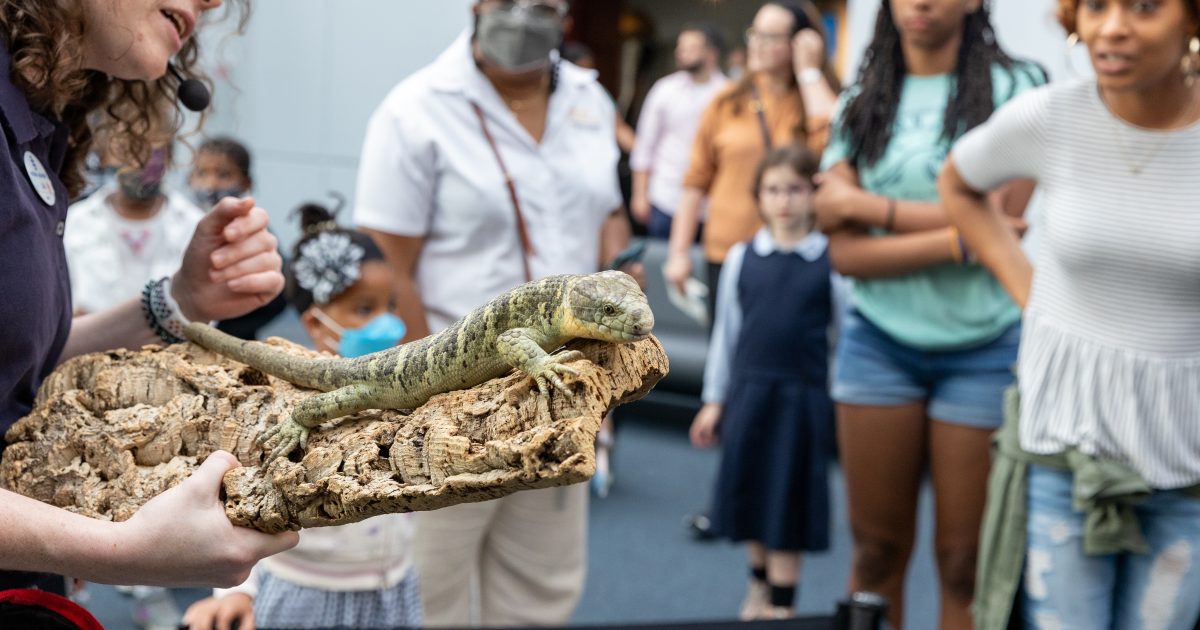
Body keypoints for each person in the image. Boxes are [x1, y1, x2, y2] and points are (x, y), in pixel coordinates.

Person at [352, 0, 637, 625]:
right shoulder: (415, 107)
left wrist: (619, 282)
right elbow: (387, 269)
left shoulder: (589, 99)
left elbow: (610, 214)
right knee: (431, 588)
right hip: (455, 402)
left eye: (543, 6)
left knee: (542, 590)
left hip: (559, 392)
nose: (524, 15)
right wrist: (429, 403)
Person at [0, 0, 298, 596]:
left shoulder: (39, 128)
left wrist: (180, 300)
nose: (214, 3)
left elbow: (20, 365)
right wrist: (117, 549)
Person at [939, 0, 1200, 627]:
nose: (1112, 27)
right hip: (1066, 441)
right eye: (1095, 5)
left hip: (1187, 455)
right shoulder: (1052, 116)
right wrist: (1029, 291)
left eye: (1144, 6)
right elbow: (959, 184)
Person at [813, 0, 1044, 627]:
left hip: (983, 349)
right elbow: (846, 254)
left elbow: (1003, 226)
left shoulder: (1020, 89)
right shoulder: (861, 99)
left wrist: (867, 206)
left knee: (967, 564)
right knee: (875, 555)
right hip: (877, 345)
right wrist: (962, 235)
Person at [183, 201, 419, 630]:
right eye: (364, 309)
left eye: (391, 305)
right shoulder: (289, 402)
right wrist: (236, 591)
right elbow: (243, 496)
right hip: (305, 590)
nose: (386, 322)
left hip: (392, 585)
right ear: (315, 322)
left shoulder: (401, 390)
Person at [689, 144, 841, 621]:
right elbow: (727, 335)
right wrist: (714, 400)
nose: (784, 200)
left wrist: (838, 404)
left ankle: (782, 607)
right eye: (773, 190)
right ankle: (758, 585)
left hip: (802, 401)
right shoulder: (742, 258)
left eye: (795, 189)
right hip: (750, 395)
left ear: (813, 194)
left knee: (787, 504)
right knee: (752, 495)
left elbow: (841, 339)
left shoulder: (831, 261)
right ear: (758, 196)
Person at [663, 0, 839, 322]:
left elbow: (834, 145)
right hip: (727, 252)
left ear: (801, 42)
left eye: (770, 36)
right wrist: (678, 253)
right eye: (754, 34)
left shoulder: (816, 98)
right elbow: (695, 181)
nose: (757, 44)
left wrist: (809, 71)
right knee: (728, 346)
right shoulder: (726, 101)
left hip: (794, 251)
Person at [65, 138, 206, 316]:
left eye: (149, 153)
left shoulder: (194, 224)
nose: (137, 163)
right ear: (105, 157)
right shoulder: (74, 222)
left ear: (169, 158)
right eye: (127, 151)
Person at [629, 23, 728, 239]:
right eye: (680, 47)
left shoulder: (728, 94)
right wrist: (640, 194)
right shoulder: (664, 90)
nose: (681, 53)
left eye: (691, 47)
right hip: (666, 198)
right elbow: (645, 145)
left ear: (711, 53)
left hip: (713, 204)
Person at [188, 136, 289, 340]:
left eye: (223, 175)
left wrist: (227, 328)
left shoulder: (251, 231)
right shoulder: (178, 222)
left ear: (246, 182)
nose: (211, 184)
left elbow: (281, 291)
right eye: (202, 173)